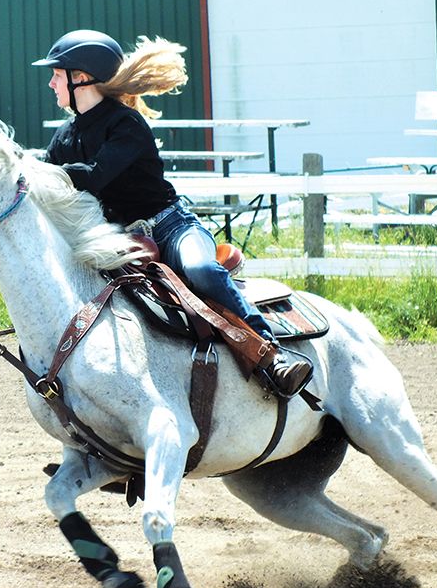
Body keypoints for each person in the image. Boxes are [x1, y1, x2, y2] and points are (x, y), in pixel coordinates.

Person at [32, 29, 312, 397]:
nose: (51, 82)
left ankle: (270, 350)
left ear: (81, 77)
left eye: (57, 73)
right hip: (120, 239)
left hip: (170, 226)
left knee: (201, 270)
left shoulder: (126, 125)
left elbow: (94, 177)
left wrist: (40, 171)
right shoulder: (66, 135)